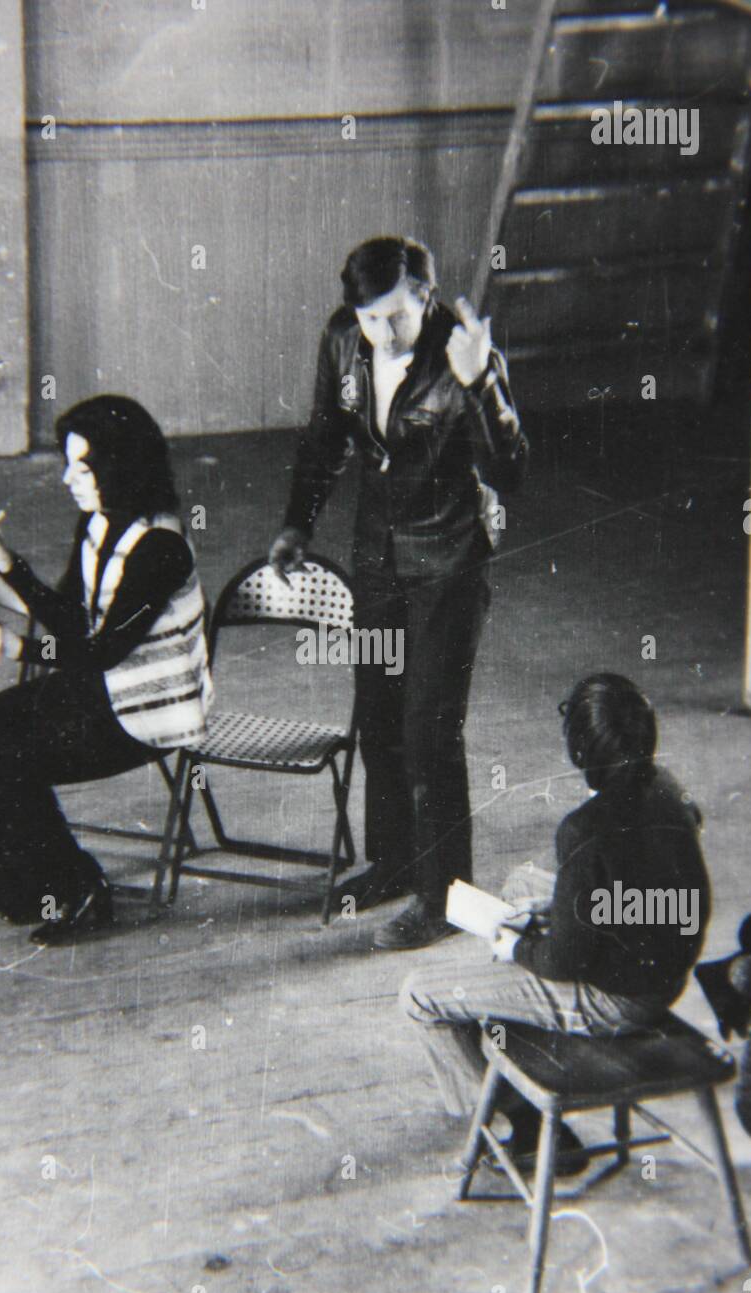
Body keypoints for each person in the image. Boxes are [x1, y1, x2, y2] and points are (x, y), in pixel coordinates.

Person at [269, 236, 528, 950]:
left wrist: (480, 385)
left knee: (429, 732)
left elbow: (510, 472)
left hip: (448, 563)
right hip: (378, 561)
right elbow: (325, 436)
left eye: (394, 317)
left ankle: (446, 896)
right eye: (367, 319)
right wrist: (297, 522)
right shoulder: (343, 338)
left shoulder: (464, 358)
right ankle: (392, 862)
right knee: (379, 716)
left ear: (426, 296)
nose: (379, 334)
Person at [400, 673, 711, 1169]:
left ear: (581, 753)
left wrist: (516, 951)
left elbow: (565, 959)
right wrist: (564, 908)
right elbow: (640, 883)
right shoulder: (669, 789)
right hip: (663, 971)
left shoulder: (585, 828)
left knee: (419, 995)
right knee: (524, 884)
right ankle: (511, 1010)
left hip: (617, 1000)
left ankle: (520, 1124)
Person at [0, 395, 213, 945]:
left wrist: (16, 648)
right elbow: (70, 622)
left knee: (7, 754)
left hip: (147, 711)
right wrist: (3, 559)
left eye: (81, 465)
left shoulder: (159, 546)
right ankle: (20, 884)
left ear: (119, 467)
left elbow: (101, 651)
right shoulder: (96, 524)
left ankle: (79, 886)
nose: (68, 477)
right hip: (101, 692)